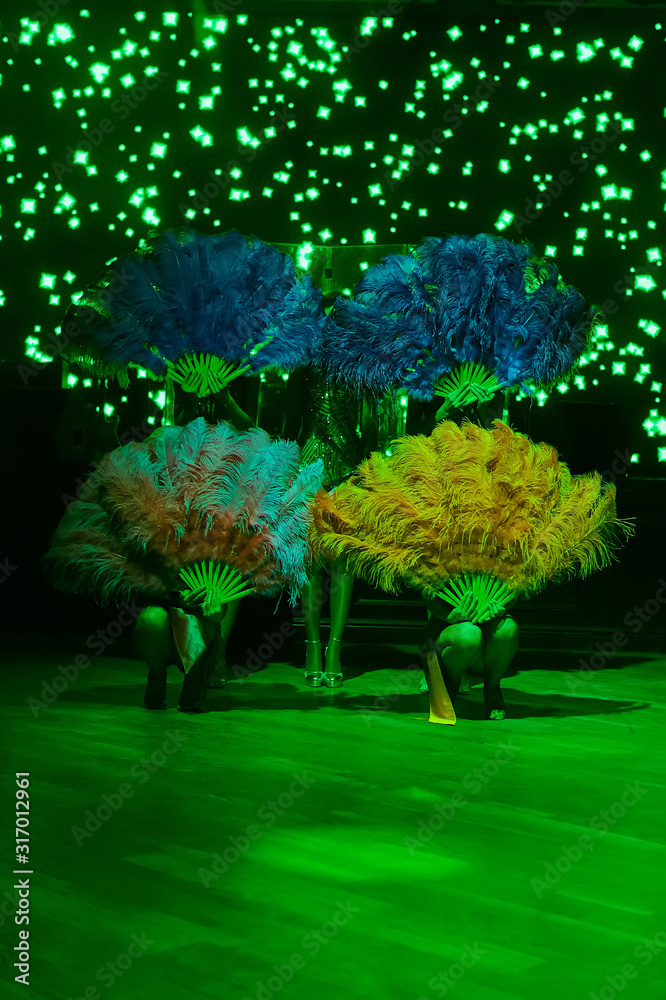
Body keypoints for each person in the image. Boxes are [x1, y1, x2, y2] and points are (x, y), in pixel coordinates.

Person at [421, 592, 519, 721]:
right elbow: (428, 594)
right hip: (447, 626)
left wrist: (502, 604)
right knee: (469, 635)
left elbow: (515, 590)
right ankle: (450, 684)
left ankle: (492, 687)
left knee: (508, 628)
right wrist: (449, 616)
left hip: (489, 623)